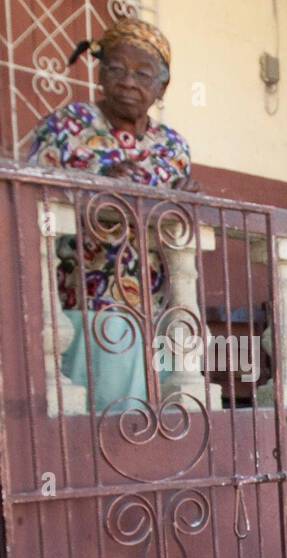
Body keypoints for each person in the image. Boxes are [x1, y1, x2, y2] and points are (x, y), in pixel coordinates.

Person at [26, 16, 193, 411]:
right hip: (87, 298)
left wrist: (185, 201)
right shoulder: (67, 127)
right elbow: (34, 201)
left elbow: (179, 203)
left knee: (161, 416)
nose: (128, 81)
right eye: (116, 69)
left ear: (161, 86)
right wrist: (98, 185)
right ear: (100, 73)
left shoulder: (172, 146)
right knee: (103, 422)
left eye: (142, 73)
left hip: (158, 301)